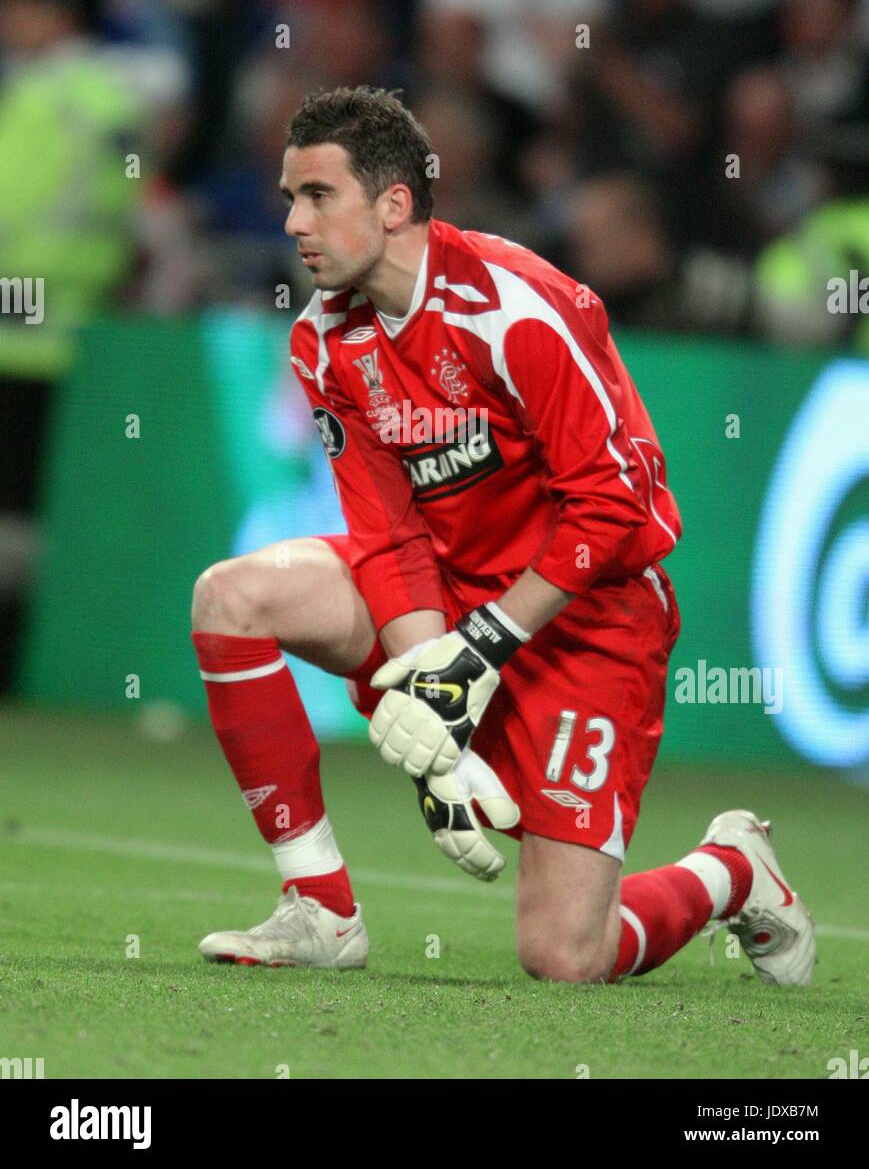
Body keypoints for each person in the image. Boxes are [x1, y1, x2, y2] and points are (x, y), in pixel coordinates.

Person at [190, 86, 815, 986]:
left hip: (587, 621)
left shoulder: (516, 306)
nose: (292, 220)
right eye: (289, 196)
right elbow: (390, 538)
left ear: (394, 203)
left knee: (564, 957)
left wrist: (477, 651)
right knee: (231, 596)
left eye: (317, 196)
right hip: (451, 597)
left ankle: (731, 870)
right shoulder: (324, 342)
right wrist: (428, 693)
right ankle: (320, 910)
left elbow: (614, 507)